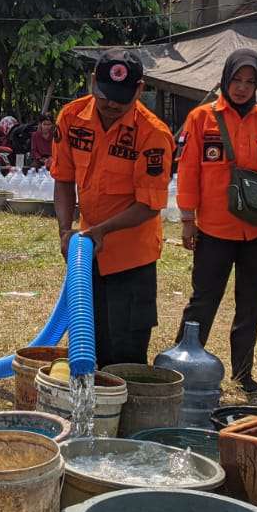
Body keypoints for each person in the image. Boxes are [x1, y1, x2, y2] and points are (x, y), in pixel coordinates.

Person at [175, 49, 257, 393]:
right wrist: (187, 218)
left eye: (249, 82)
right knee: (203, 299)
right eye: (236, 80)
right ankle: (184, 365)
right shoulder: (201, 118)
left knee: (251, 301)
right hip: (214, 227)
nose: (242, 88)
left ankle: (243, 372)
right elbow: (189, 170)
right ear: (225, 79)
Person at [51, 51, 174, 367]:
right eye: (105, 95)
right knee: (87, 342)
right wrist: (65, 230)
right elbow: (63, 179)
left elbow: (149, 205)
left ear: (139, 89)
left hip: (132, 258)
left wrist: (101, 231)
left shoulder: (153, 134)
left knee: (126, 351)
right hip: (88, 254)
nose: (112, 105)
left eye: (122, 98)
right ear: (93, 82)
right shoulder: (71, 118)